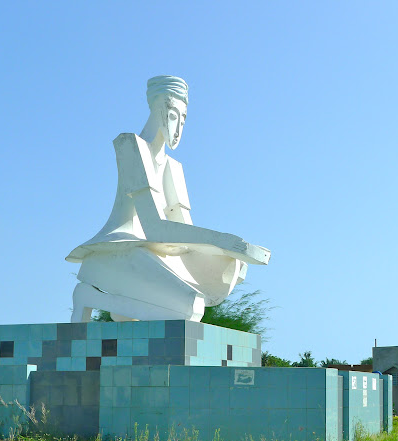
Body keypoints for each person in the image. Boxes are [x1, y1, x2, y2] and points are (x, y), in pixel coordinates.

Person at [66, 76, 270, 323]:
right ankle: (90, 297)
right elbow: (154, 227)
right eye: (173, 115)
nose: (178, 128)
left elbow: (184, 229)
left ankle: (126, 307)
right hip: (119, 251)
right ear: (156, 109)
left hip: (158, 253)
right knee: (190, 309)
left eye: (183, 120)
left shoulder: (173, 167)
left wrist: (231, 251)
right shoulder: (131, 146)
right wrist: (222, 240)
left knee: (231, 264)